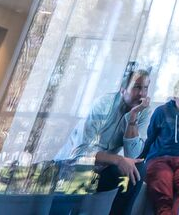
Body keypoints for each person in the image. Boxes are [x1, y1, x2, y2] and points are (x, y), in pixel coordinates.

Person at [55, 68, 152, 215]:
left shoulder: (142, 111)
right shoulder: (103, 104)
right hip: (70, 170)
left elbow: (132, 156)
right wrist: (117, 160)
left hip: (99, 173)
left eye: (145, 88)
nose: (141, 94)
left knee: (137, 169)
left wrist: (132, 117)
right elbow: (79, 153)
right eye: (137, 87)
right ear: (123, 89)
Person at [140, 76, 179, 215]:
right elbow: (150, 138)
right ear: (175, 93)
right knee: (163, 185)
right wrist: (141, 159)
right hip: (159, 157)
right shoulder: (161, 111)